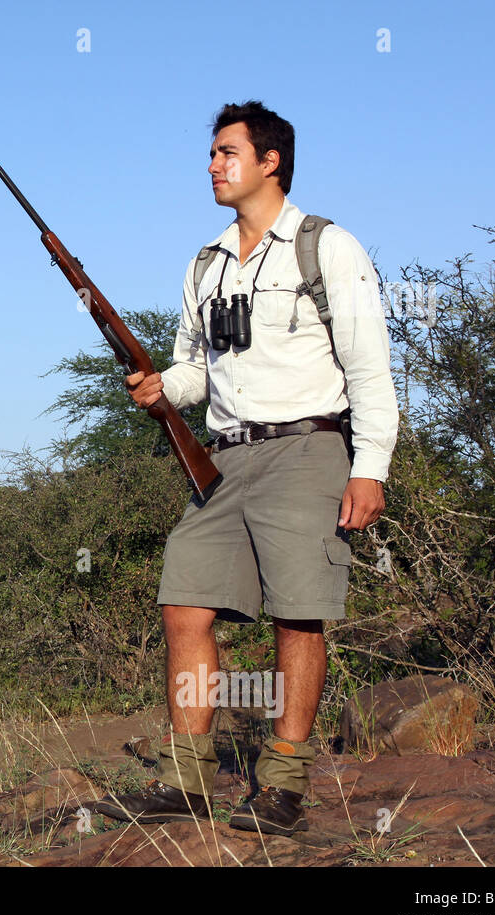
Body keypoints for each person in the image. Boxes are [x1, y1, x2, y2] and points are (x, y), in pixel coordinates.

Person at [93, 101, 399, 836]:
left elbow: (370, 368)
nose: (213, 165)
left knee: (298, 613)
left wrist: (371, 468)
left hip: (309, 448)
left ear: (271, 162)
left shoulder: (327, 247)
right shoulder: (203, 262)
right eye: (211, 154)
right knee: (185, 603)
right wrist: (159, 387)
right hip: (224, 459)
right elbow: (197, 373)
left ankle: (285, 783)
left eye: (228, 153)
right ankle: (188, 779)